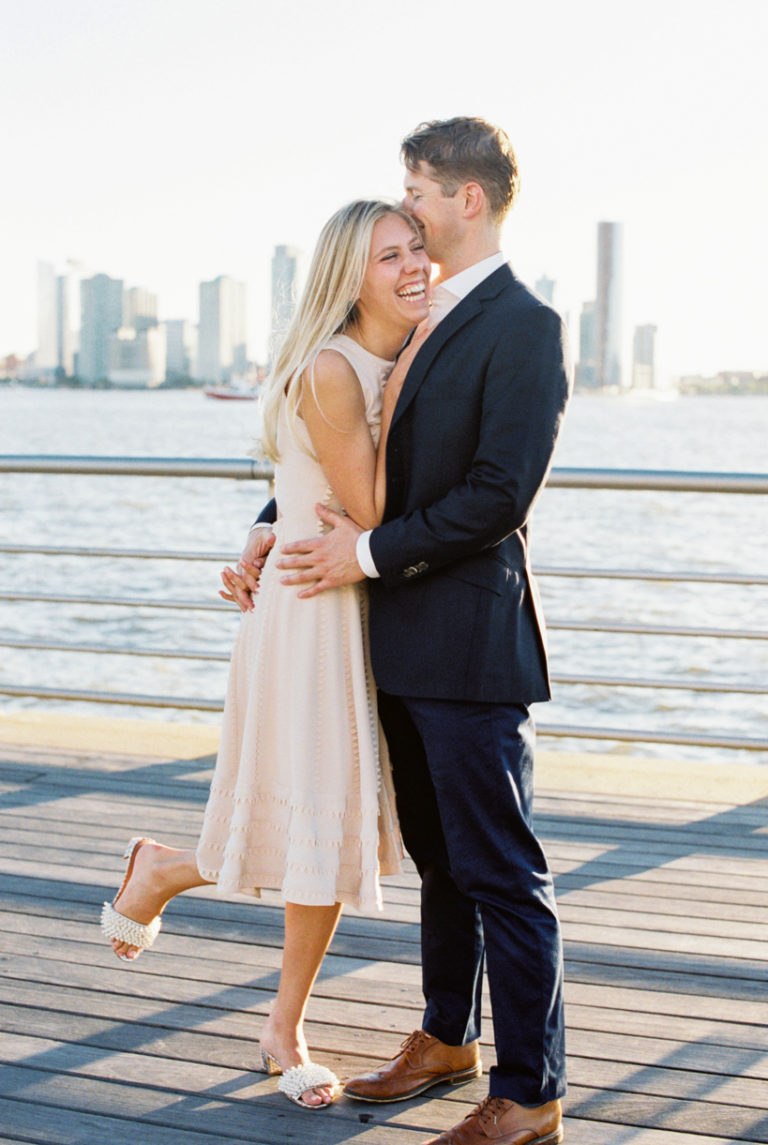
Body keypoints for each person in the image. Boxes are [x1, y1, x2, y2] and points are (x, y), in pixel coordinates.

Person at [265, 118, 572, 1145]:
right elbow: (358, 442)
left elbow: (494, 496)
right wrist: (272, 526)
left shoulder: (523, 324)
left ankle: (530, 1093)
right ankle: (448, 1036)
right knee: (443, 860)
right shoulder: (422, 316)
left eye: (420, 193)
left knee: (502, 872)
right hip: (397, 641)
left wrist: (360, 556)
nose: (410, 210)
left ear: (467, 199)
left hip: (469, 647)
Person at [100, 199, 432, 1110]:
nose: (409, 268)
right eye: (386, 257)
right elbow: (369, 508)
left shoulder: (383, 354)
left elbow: (316, 496)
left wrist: (265, 525)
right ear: (345, 276)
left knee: (319, 813)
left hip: (338, 594)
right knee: (315, 808)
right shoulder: (335, 367)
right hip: (314, 610)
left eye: (415, 250)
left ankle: (171, 873)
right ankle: (277, 1018)